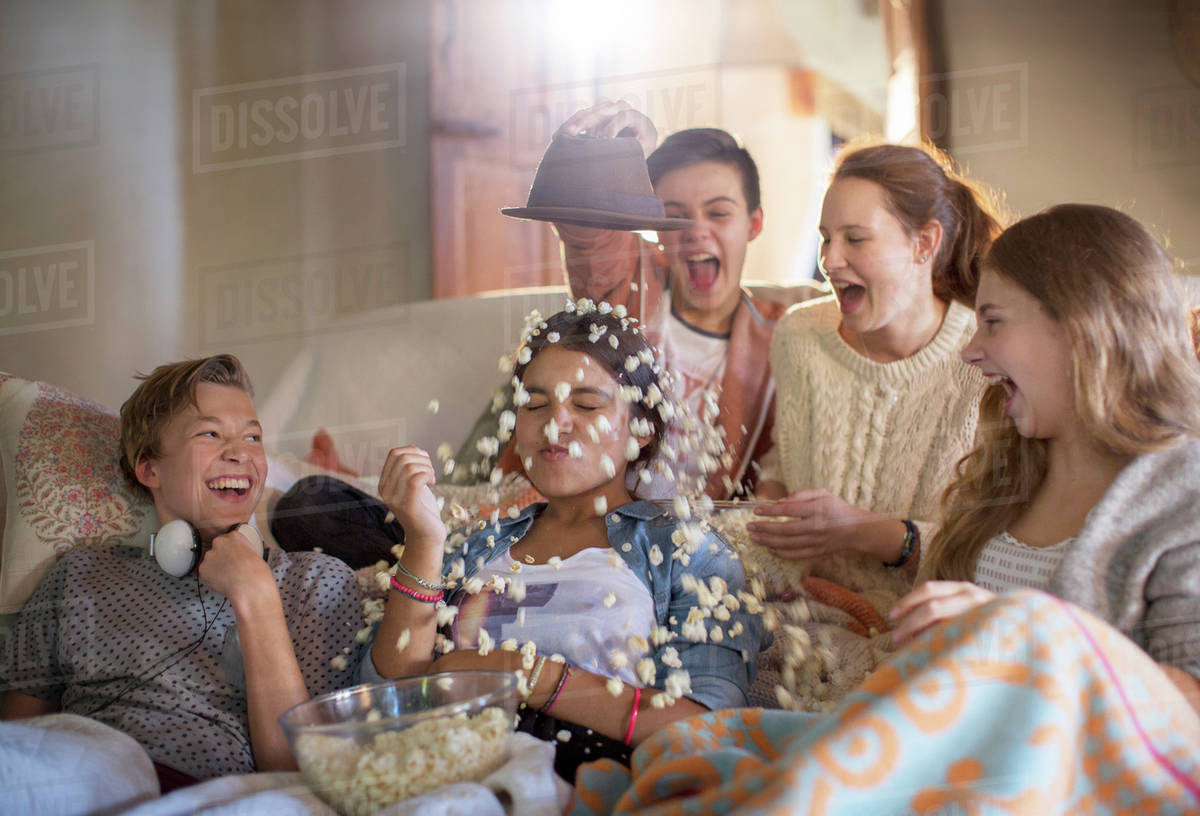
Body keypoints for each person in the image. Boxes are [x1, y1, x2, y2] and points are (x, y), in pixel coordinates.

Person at [568, 204, 1200, 814]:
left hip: (1045, 786)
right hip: (934, 755)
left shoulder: (1181, 493)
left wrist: (1026, 634)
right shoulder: (1011, 467)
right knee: (690, 745)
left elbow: (1188, 723)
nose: (971, 351)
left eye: (994, 322)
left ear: (1080, 327)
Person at [362, 305, 764, 782]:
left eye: (587, 405)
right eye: (535, 405)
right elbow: (387, 699)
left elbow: (712, 730)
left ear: (641, 429)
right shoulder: (474, 547)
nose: (554, 425)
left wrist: (521, 674)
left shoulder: (688, 551)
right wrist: (425, 541)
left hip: (591, 784)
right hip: (440, 773)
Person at [1, 355, 364, 787]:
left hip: (208, 794)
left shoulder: (317, 582)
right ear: (149, 469)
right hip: (75, 776)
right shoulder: (79, 574)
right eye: (210, 433)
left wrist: (257, 597)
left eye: (253, 437)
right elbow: (18, 741)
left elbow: (297, 772)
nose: (240, 453)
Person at [485, 101, 824, 500]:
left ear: (754, 223)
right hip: (580, 516)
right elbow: (587, 233)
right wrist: (627, 155)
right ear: (657, 227)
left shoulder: (784, 336)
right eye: (676, 215)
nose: (696, 230)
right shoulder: (631, 284)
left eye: (718, 213)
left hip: (696, 529)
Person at [748, 140, 1003, 574]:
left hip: (922, 611)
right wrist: (767, 507)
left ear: (924, 243)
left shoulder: (986, 363)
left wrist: (861, 531)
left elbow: (990, 556)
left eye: (855, 239)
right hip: (797, 601)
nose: (829, 261)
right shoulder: (798, 335)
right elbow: (784, 460)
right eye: (826, 239)